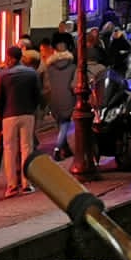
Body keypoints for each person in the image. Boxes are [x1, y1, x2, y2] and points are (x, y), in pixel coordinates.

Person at [0, 47, 45, 190]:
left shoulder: (3, 75)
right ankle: (26, 182)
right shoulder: (31, 73)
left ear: (10, 58)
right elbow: (37, 94)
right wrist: (32, 108)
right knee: (27, 148)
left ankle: (11, 184)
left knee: (9, 149)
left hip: (9, 115)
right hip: (27, 113)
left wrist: (2, 112)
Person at [39, 34, 77, 163]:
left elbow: (46, 84)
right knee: (65, 124)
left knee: (60, 124)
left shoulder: (49, 67)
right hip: (67, 98)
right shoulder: (72, 67)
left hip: (53, 98)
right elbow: (74, 85)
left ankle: (65, 149)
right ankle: (58, 148)